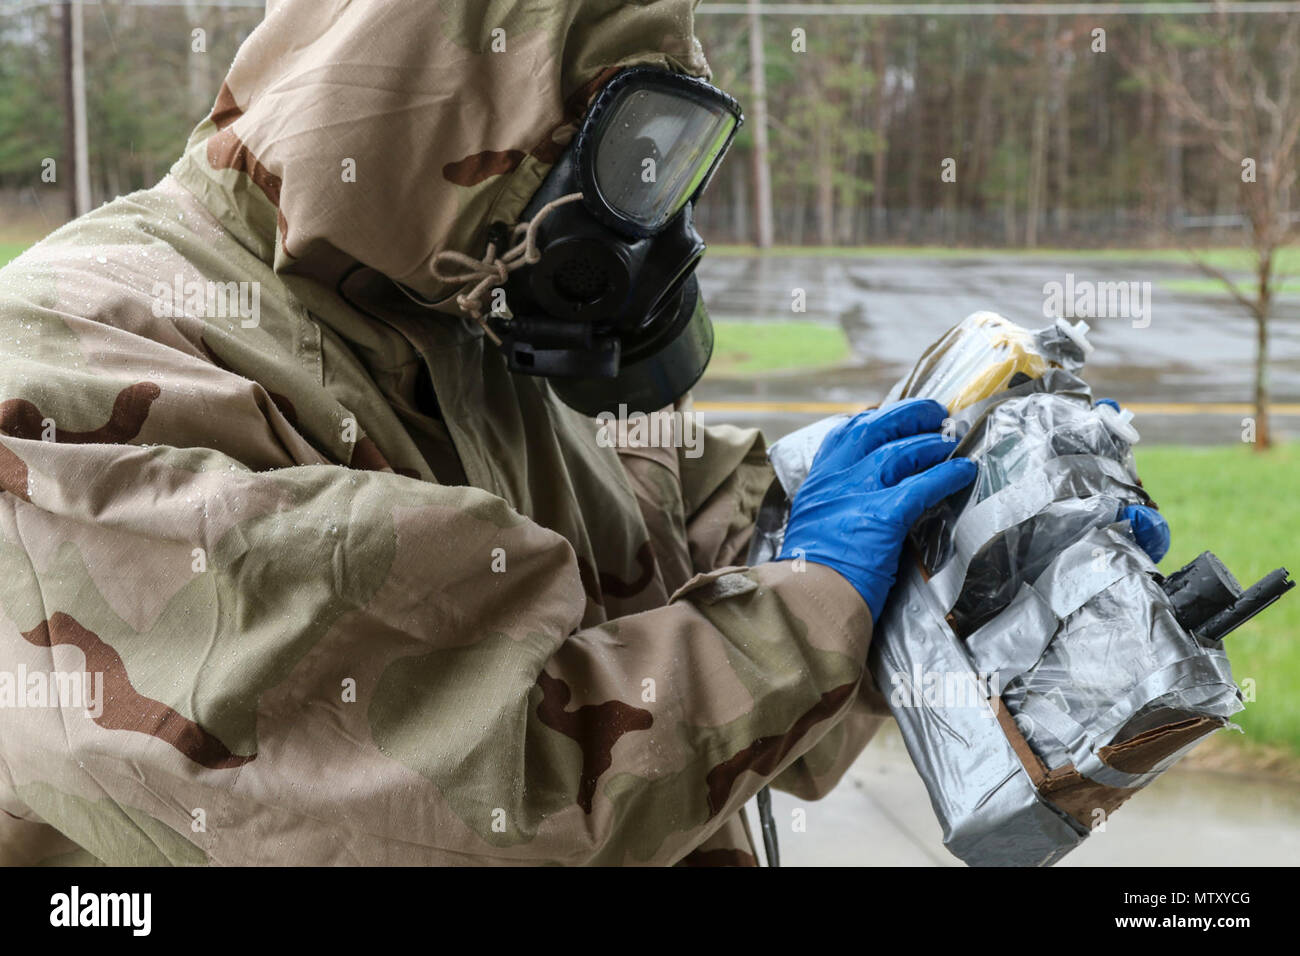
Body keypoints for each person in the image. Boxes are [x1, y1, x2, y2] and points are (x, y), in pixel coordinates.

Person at [0, 0, 1144, 867]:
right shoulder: (73, 369)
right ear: (461, 121)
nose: (651, 226)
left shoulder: (447, 324)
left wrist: (967, 559)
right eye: (626, 157)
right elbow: (486, 782)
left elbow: (672, 547)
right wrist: (813, 604)